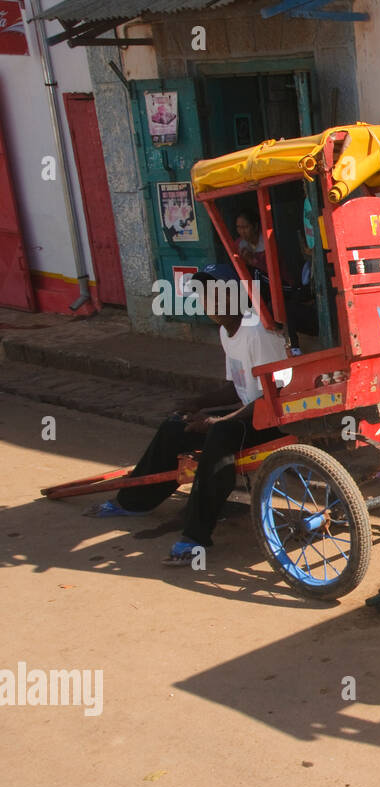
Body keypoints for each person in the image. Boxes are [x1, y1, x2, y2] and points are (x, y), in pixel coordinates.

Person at [85, 265, 290, 566]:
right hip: (249, 410)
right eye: (205, 296)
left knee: (219, 437)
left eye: (217, 294)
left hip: (273, 416)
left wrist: (218, 421)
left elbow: (274, 396)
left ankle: (195, 537)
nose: (209, 302)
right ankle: (134, 502)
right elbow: (237, 386)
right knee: (175, 425)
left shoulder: (257, 331)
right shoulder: (227, 331)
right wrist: (196, 404)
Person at [234, 210, 268, 275]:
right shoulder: (238, 244)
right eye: (238, 227)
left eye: (245, 227)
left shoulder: (268, 242)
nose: (242, 231)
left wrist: (252, 260)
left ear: (255, 226)